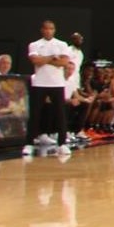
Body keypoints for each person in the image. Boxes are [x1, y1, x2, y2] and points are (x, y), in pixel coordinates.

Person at [25, 21, 75, 155]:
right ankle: (29, 143)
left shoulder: (61, 44)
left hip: (57, 83)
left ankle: (62, 143)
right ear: (42, 30)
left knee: (60, 114)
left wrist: (44, 60)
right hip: (39, 83)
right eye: (46, 29)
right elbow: (35, 61)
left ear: (54, 30)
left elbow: (64, 62)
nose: (48, 31)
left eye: (51, 29)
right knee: (35, 114)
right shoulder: (34, 44)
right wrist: (52, 58)